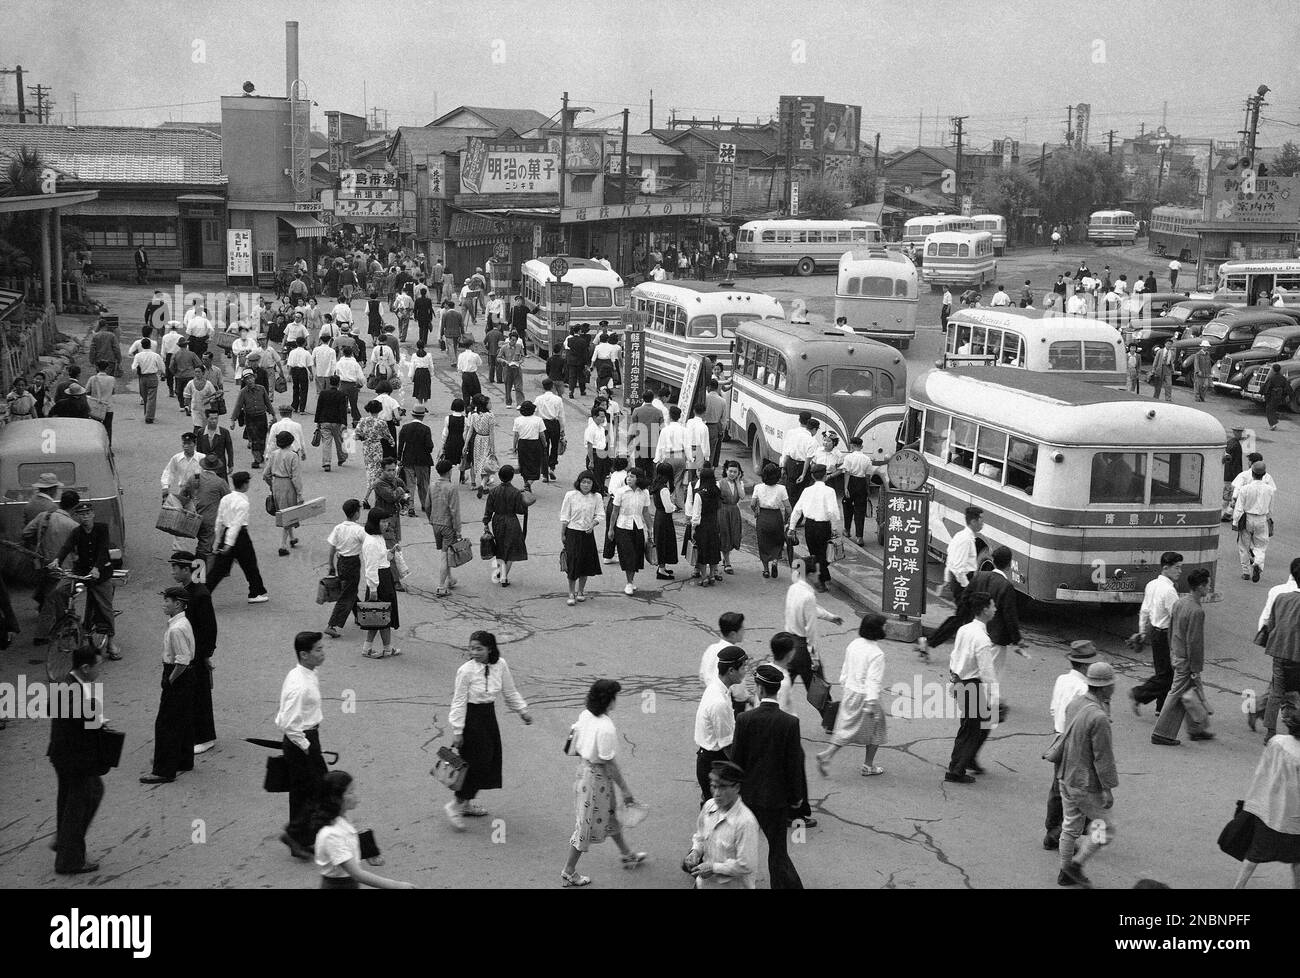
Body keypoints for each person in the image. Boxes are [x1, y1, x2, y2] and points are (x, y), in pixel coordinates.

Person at [560, 679, 647, 886]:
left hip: (584, 772)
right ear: (609, 701)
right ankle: (569, 870)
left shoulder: (585, 715)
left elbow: (575, 745)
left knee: (609, 816)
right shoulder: (606, 727)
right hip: (596, 780)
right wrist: (626, 790)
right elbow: (609, 764)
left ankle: (627, 854)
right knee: (585, 826)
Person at [444, 630, 533, 829]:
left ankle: (465, 804)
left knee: (488, 761)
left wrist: (522, 711)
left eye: (479, 648)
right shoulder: (465, 671)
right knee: (476, 764)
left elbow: (509, 691)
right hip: (471, 719)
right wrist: (457, 730)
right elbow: (458, 701)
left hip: (488, 717)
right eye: (471, 648)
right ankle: (455, 805)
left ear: (489, 649)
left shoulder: (500, 665)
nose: (474, 652)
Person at [730, 663, 806, 889]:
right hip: (776, 799)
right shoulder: (790, 723)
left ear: (760, 690)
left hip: (748, 797)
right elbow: (794, 764)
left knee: (737, 847)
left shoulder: (745, 720)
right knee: (778, 851)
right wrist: (796, 797)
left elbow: (736, 762)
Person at [46, 643, 110, 874]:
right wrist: (97, 721)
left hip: (63, 755)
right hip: (75, 758)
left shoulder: (67, 683)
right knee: (81, 802)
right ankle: (69, 858)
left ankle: (64, 842)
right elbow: (80, 719)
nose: (98, 671)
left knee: (72, 799)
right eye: (97, 667)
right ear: (85, 667)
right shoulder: (73, 691)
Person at [1055, 662, 1120, 888]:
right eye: (1112, 684)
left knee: (1071, 825)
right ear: (1105, 687)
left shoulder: (1077, 703)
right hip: (1085, 782)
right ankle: (1076, 865)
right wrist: (1108, 788)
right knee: (1106, 828)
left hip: (1066, 774)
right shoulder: (1098, 717)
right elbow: (1103, 757)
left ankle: (1065, 872)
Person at [1231, 696, 1300, 888]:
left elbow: (1263, 770)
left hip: (1269, 808)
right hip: (1294, 816)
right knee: (1297, 858)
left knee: (1255, 853)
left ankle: (1239, 886)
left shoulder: (1277, 742)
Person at [312, 771, 416, 888]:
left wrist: (366, 853)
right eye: (350, 792)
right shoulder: (331, 835)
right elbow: (358, 874)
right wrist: (397, 885)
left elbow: (347, 838)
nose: (355, 796)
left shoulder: (341, 817)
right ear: (336, 798)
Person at [816, 613, 888, 778]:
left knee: (846, 727)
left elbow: (845, 669)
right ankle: (867, 765)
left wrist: (845, 685)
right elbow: (873, 681)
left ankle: (828, 754)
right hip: (866, 696)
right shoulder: (877, 654)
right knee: (877, 730)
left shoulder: (854, 644)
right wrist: (871, 703)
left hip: (850, 691)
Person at [275, 632, 328, 859]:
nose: (322, 653)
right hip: (301, 741)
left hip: (305, 738)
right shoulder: (300, 685)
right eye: (317, 650)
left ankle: (302, 837)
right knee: (319, 789)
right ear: (304, 654)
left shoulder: (306, 673)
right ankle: (298, 835)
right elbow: (288, 723)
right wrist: (307, 746)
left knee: (304, 791)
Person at [1150, 568, 1214, 746]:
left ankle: (1196, 728)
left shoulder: (1180, 603)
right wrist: (1195, 669)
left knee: (1188, 692)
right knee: (1177, 693)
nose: (1209, 587)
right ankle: (1161, 732)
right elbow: (1194, 643)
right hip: (1186, 660)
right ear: (1200, 587)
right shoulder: (1196, 611)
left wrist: (1172, 651)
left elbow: (1171, 630)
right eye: (1208, 584)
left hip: (1176, 654)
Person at [1044, 641, 1098, 850]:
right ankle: (1071, 833)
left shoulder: (1062, 679)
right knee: (1082, 789)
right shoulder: (1084, 689)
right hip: (1076, 742)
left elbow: (1053, 708)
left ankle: (1052, 828)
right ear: (1086, 666)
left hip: (1059, 735)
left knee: (1058, 786)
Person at [139, 587, 196, 785]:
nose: (164, 604)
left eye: (167, 601)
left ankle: (163, 770)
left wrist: (169, 680)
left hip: (177, 674)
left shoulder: (176, 629)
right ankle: (184, 759)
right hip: (186, 676)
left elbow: (182, 661)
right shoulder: (183, 622)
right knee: (183, 719)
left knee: (166, 724)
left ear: (178, 603)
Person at [165, 551, 218, 756]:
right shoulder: (187, 591)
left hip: (196, 654)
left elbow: (208, 628)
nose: (173, 572)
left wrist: (205, 655)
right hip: (189, 651)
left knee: (200, 695)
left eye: (175, 568)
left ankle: (205, 737)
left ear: (187, 570)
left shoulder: (200, 594)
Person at [51, 502, 120, 659]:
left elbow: (103, 550)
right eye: (82, 514)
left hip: (100, 574)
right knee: (59, 590)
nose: (85, 516)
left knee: (105, 607)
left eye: (88, 513)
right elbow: (66, 547)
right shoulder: (76, 532)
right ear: (77, 517)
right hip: (81, 573)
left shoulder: (102, 529)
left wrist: (96, 568)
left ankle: (111, 642)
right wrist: (57, 560)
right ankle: (68, 623)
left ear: (93, 514)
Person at [944, 592, 998, 784]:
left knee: (984, 722)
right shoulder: (982, 639)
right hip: (972, 686)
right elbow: (986, 670)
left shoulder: (965, 629)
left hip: (960, 681)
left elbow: (954, 656)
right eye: (992, 606)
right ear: (984, 610)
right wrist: (993, 695)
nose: (995, 609)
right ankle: (956, 769)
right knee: (970, 729)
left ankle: (969, 758)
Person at [683, 759, 760, 889]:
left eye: (723, 787)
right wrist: (695, 852)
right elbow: (700, 836)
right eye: (714, 786)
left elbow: (746, 864)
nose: (717, 793)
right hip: (705, 884)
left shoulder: (745, 822)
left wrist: (714, 868)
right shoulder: (709, 806)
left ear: (737, 787)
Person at [918, 506, 984, 656]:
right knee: (960, 619)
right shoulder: (965, 540)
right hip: (963, 582)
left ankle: (965, 650)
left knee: (965, 618)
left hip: (960, 582)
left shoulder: (961, 536)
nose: (983, 523)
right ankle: (930, 642)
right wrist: (968, 587)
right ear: (973, 521)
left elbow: (950, 560)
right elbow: (959, 567)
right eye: (981, 520)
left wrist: (947, 580)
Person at [1128, 550, 1182, 716]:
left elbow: (1144, 610)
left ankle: (1161, 707)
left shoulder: (1151, 585)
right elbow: (1177, 617)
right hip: (1166, 634)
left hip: (1155, 633)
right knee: (1167, 675)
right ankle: (1139, 693)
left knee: (1164, 672)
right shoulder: (1169, 591)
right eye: (1177, 567)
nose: (1180, 571)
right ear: (1166, 568)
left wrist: (1142, 632)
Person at [694, 645, 749, 805]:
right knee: (720, 812)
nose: (745, 672)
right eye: (743, 667)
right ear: (731, 671)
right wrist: (744, 771)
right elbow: (727, 746)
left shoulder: (717, 689)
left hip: (709, 758)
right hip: (715, 762)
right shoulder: (719, 703)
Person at [206, 471, 269, 604]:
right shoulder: (243, 503)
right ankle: (256, 592)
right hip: (240, 537)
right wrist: (229, 543)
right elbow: (236, 524)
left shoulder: (225, 499)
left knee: (219, 569)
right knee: (250, 564)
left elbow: (219, 521)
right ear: (245, 484)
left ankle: (203, 594)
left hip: (226, 533)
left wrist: (217, 541)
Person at [784, 557, 843, 695]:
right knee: (821, 696)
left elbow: (811, 609)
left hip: (788, 645)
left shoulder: (793, 588)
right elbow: (810, 630)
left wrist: (830, 617)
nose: (818, 574)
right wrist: (814, 657)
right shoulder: (808, 596)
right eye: (817, 572)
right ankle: (828, 715)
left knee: (782, 691)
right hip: (802, 648)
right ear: (810, 575)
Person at [1256, 565, 1300, 741]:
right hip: (1297, 655)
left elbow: (1272, 623)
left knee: (1276, 692)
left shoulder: (1281, 597)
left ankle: (1270, 732)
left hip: (1279, 652)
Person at [483, 464, 533, 587]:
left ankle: (501, 572)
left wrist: (486, 523)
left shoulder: (494, 491)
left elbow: (488, 509)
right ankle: (504, 577)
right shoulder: (515, 492)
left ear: (499, 477)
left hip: (497, 520)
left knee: (500, 547)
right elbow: (520, 510)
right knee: (511, 548)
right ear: (511, 477)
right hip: (511, 521)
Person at [359, 508, 400, 658]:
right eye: (382, 521)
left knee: (382, 616)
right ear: (375, 523)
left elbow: (384, 558)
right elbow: (371, 567)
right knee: (377, 615)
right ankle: (368, 648)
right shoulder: (371, 542)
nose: (386, 524)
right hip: (378, 581)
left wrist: (392, 552)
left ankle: (386, 648)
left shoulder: (379, 538)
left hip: (385, 577)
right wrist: (373, 589)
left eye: (386, 521)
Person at [559, 469, 604, 605]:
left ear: (592, 484)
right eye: (583, 482)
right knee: (572, 563)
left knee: (585, 562)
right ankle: (571, 592)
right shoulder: (570, 495)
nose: (586, 485)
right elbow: (565, 516)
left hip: (587, 534)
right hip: (572, 532)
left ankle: (581, 591)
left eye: (588, 483)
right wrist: (563, 533)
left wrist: (593, 523)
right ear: (579, 483)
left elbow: (600, 514)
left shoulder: (597, 497)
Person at [323, 499, 365, 639]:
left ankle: (360, 616)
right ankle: (332, 625)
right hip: (352, 563)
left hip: (341, 562)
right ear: (356, 513)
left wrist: (331, 565)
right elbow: (368, 545)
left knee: (349, 589)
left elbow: (332, 549)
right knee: (347, 594)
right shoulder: (359, 530)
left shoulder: (338, 528)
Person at [611, 466, 653, 595]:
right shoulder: (621, 492)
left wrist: (650, 529)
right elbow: (615, 512)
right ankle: (629, 582)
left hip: (638, 526)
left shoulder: (644, 493)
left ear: (638, 478)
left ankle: (632, 580)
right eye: (628, 476)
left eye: (632, 476)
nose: (628, 478)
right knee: (628, 554)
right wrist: (610, 529)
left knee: (636, 554)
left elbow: (646, 512)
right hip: (622, 526)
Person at [1234, 461, 1275, 583]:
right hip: (1262, 519)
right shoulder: (1269, 490)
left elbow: (1239, 508)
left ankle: (1246, 572)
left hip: (1247, 518)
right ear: (1264, 474)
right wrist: (1267, 519)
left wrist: (1236, 522)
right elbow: (1271, 509)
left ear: (1252, 473)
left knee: (1243, 545)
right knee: (1261, 546)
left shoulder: (1245, 489)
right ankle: (1257, 563)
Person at [264, 430, 304, 557]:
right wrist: (300, 493)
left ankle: (292, 538)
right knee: (288, 514)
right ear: (290, 442)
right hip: (288, 485)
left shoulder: (274, 454)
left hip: (276, 484)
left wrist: (272, 485)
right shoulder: (293, 456)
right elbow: (296, 477)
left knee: (284, 511)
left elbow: (265, 474)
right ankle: (282, 544)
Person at [426, 460, 462, 598]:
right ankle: (441, 586)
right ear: (449, 472)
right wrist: (458, 529)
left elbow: (427, 505)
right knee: (445, 555)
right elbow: (454, 510)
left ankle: (450, 579)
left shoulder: (432, 485)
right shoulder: (451, 488)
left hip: (435, 522)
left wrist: (431, 519)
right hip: (447, 524)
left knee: (445, 552)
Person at [750, 461, 791, 579]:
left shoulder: (758, 487)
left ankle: (766, 569)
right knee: (777, 541)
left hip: (763, 516)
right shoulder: (782, 488)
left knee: (763, 543)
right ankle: (775, 561)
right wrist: (789, 521)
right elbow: (788, 507)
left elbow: (752, 504)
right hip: (776, 517)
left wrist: (756, 512)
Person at [687, 465, 724, 585]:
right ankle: (712, 575)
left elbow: (696, 514)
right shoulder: (717, 492)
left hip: (703, 525)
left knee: (703, 551)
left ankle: (704, 577)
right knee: (714, 550)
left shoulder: (699, 494)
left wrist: (693, 528)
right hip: (714, 524)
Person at [397, 405, 436, 516]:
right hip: (423, 461)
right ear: (423, 416)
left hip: (408, 459)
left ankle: (410, 507)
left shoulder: (405, 427)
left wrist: (399, 458)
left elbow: (401, 445)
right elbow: (429, 446)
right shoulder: (426, 429)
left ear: (412, 414)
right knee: (423, 484)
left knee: (410, 484)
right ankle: (425, 504)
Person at [778, 412, 817, 507]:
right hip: (803, 466)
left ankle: (789, 518)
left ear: (799, 420)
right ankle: (798, 518)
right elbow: (809, 459)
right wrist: (803, 474)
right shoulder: (812, 439)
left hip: (790, 464)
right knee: (802, 494)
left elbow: (786, 451)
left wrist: (783, 466)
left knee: (790, 492)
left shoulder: (792, 433)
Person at [650, 461, 680, 581]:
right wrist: (674, 507)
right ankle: (661, 570)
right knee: (664, 542)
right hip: (664, 518)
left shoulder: (657, 485)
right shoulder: (664, 489)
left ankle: (662, 567)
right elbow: (668, 508)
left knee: (661, 541)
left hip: (659, 516)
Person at [313, 376, 349, 472]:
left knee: (326, 442)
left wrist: (317, 421)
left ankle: (326, 462)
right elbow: (343, 410)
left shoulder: (323, 393)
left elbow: (319, 408)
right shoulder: (342, 395)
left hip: (324, 421)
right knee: (339, 441)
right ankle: (341, 458)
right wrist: (344, 423)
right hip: (337, 422)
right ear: (339, 384)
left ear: (329, 383)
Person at [717, 460, 745, 575]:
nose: (732, 474)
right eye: (730, 471)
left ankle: (726, 557)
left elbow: (742, 496)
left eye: (735, 472)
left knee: (734, 535)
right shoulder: (719, 483)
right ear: (726, 471)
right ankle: (727, 562)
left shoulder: (739, 484)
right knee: (725, 535)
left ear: (738, 473)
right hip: (723, 512)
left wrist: (738, 481)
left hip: (734, 512)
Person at [512, 400, 546, 492]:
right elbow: (542, 434)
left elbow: (516, 435)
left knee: (524, 464)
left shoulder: (517, 420)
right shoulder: (538, 420)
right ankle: (528, 484)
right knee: (535, 465)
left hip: (522, 444)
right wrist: (545, 443)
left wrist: (514, 446)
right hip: (535, 444)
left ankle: (526, 484)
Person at [467, 394, 499, 495]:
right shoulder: (490, 416)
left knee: (480, 463)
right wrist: (493, 447)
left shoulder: (474, 415)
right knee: (488, 463)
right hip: (486, 440)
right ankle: (482, 484)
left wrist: (466, 444)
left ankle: (484, 486)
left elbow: (470, 431)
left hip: (477, 440)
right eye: (489, 403)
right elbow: (492, 433)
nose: (491, 404)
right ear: (485, 405)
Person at [535, 379, 565, 482]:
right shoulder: (557, 399)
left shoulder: (538, 399)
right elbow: (561, 416)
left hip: (543, 423)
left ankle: (544, 473)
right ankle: (552, 467)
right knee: (555, 446)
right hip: (554, 423)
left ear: (543, 387)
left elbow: (535, 412)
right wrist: (562, 429)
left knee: (544, 447)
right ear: (552, 387)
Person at [585, 405, 611, 492]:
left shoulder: (601, 428)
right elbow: (589, 446)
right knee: (596, 479)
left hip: (603, 454)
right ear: (595, 417)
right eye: (601, 417)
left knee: (602, 478)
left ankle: (600, 498)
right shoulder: (591, 429)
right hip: (595, 455)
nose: (603, 419)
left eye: (604, 417)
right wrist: (591, 461)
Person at [440, 397, 467, 480]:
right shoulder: (465, 419)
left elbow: (445, 432)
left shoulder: (448, 418)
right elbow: (465, 433)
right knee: (462, 459)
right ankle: (462, 475)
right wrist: (465, 443)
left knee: (449, 461)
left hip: (450, 441)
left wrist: (443, 443)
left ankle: (449, 477)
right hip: (460, 441)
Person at [1262, 362, 1290, 430]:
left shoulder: (1271, 378)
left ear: (1273, 370)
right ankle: (1274, 422)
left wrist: (1264, 394)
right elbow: (1287, 388)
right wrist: (1286, 396)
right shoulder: (1283, 378)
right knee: (1273, 409)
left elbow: (1267, 388)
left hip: (1272, 396)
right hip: (1279, 396)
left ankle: (1273, 425)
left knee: (1269, 409)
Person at [409, 342, 433, 409]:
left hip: (418, 373)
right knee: (426, 390)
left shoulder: (414, 355)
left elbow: (412, 366)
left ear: (417, 346)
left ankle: (420, 406)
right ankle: (424, 406)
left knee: (419, 390)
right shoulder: (428, 355)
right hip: (426, 373)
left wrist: (411, 376)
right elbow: (431, 366)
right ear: (424, 346)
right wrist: (431, 374)